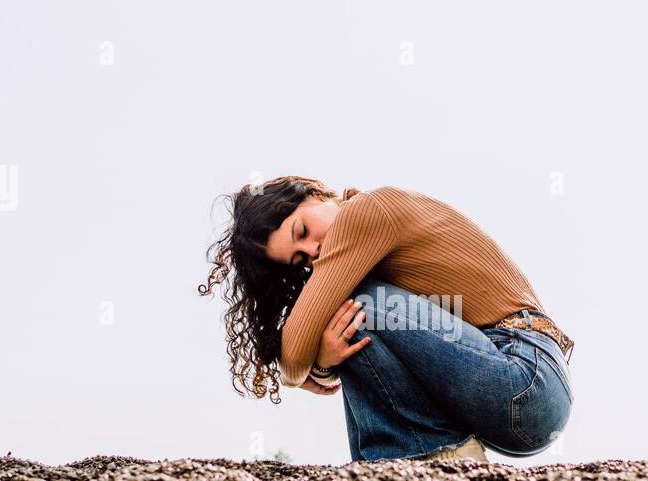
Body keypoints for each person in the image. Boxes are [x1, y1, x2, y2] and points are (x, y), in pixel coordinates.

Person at [200, 176, 574, 463]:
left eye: (303, 231)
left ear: (314, 193)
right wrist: (327, 359)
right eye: (301, 260)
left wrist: (313, 365)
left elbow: (293, 359)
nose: (313, 251)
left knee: (350, 305)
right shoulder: (360, 255)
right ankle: (419, 456)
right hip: (516, 395)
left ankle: (425, 452)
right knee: (346, 316)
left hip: (525, 375)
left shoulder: (368, 211)